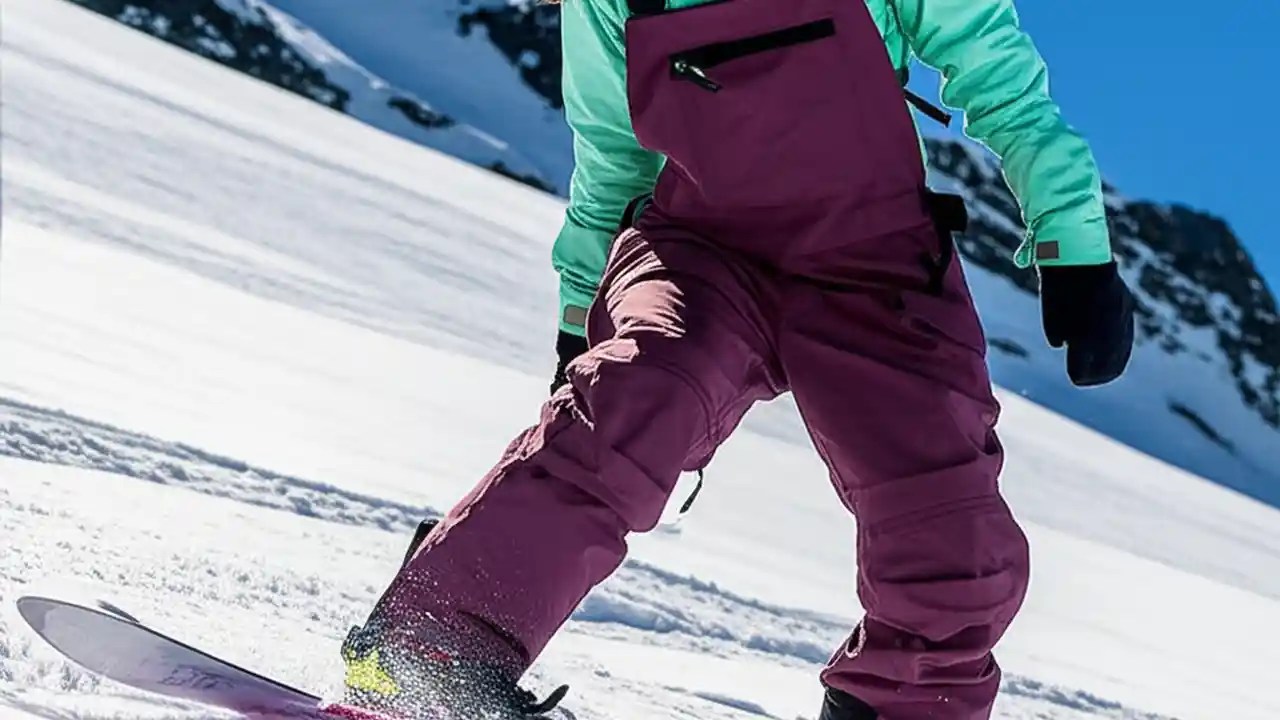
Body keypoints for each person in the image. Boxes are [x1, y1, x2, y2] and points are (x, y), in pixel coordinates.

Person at [333, 0, 1136, 717]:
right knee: (636, 400)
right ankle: (428, 658)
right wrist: (580, 319)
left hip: (876, 262)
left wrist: (1077, 250)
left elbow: (1005, 85)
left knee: (947, 525)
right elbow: (614, 156)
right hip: (702, 249)